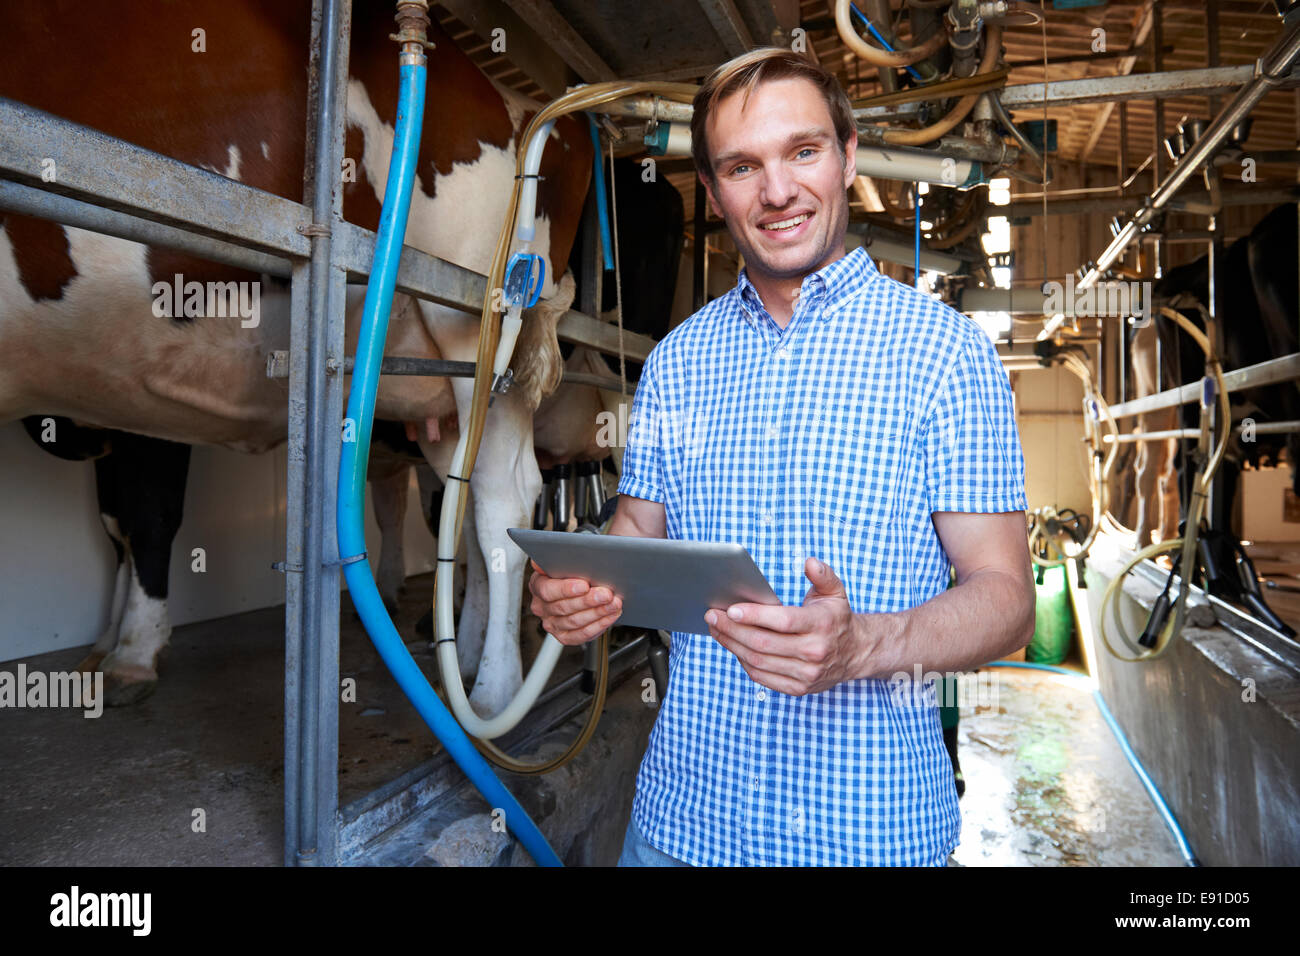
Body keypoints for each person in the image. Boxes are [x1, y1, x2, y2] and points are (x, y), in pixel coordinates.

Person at [528, 46, 1033, 866]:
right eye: (741, 166)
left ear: (847, 155)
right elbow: (636, 529)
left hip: (869, 835)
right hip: (681, 827)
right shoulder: (678, 362)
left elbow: (1008, 600)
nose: (777, 191)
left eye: (802, 151)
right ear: (715, 192)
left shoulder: (945, 354)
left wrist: (866, 643)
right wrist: (574, 590)